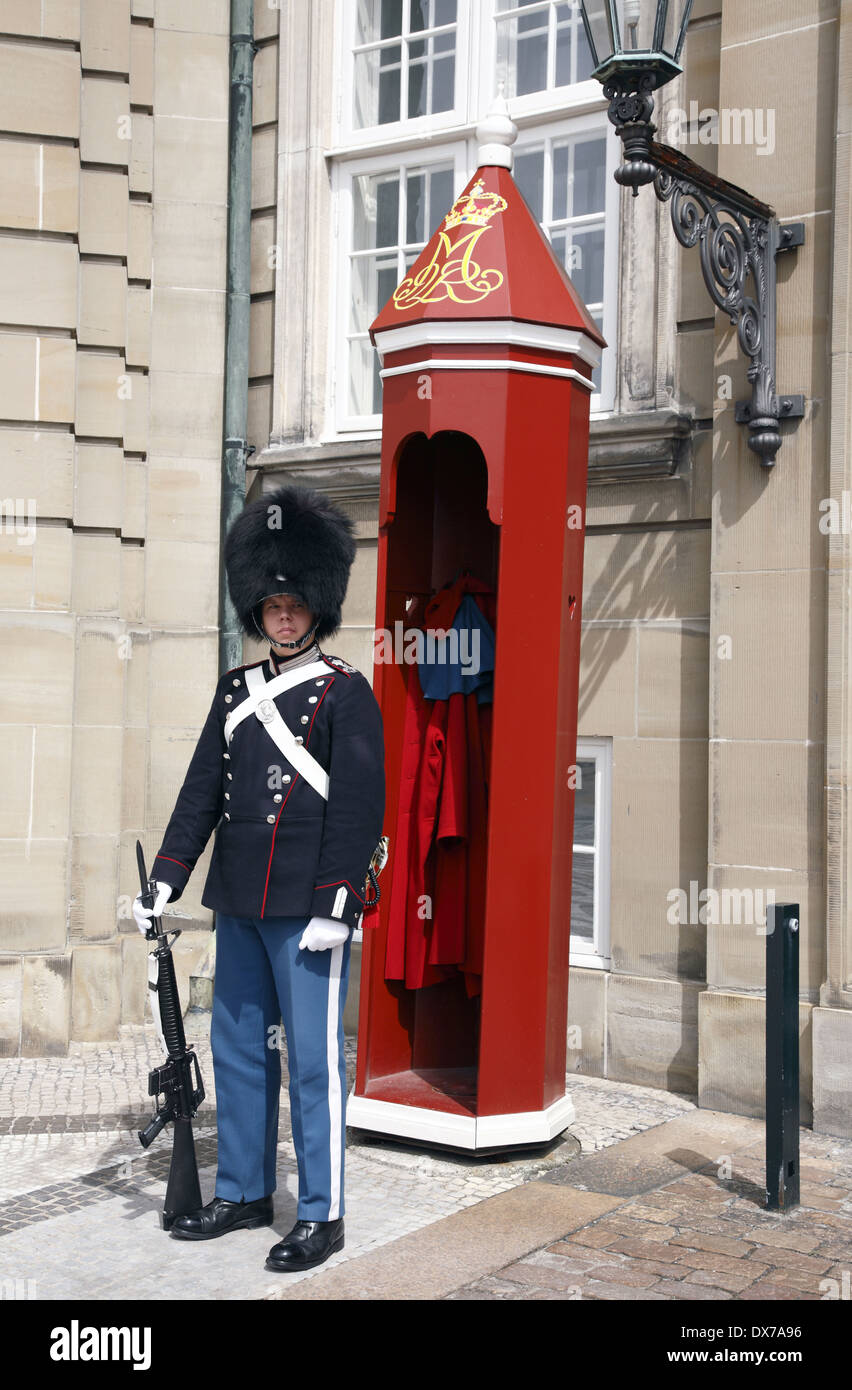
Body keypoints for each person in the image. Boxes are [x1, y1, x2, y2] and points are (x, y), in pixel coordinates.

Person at [132, 484, 385, 1273]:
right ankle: (243, 1190)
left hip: (307, 909)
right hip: (239, 903)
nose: (282, 616)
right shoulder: (235, 692)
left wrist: (339, 904)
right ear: (258, 609)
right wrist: (167, 880)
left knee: (313, 1062)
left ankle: (323, 1213)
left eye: (294, 604)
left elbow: (359, 807)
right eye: (271, 604)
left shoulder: (348, 692)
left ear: (317, 608)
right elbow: (201, 791)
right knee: (238, 1048)